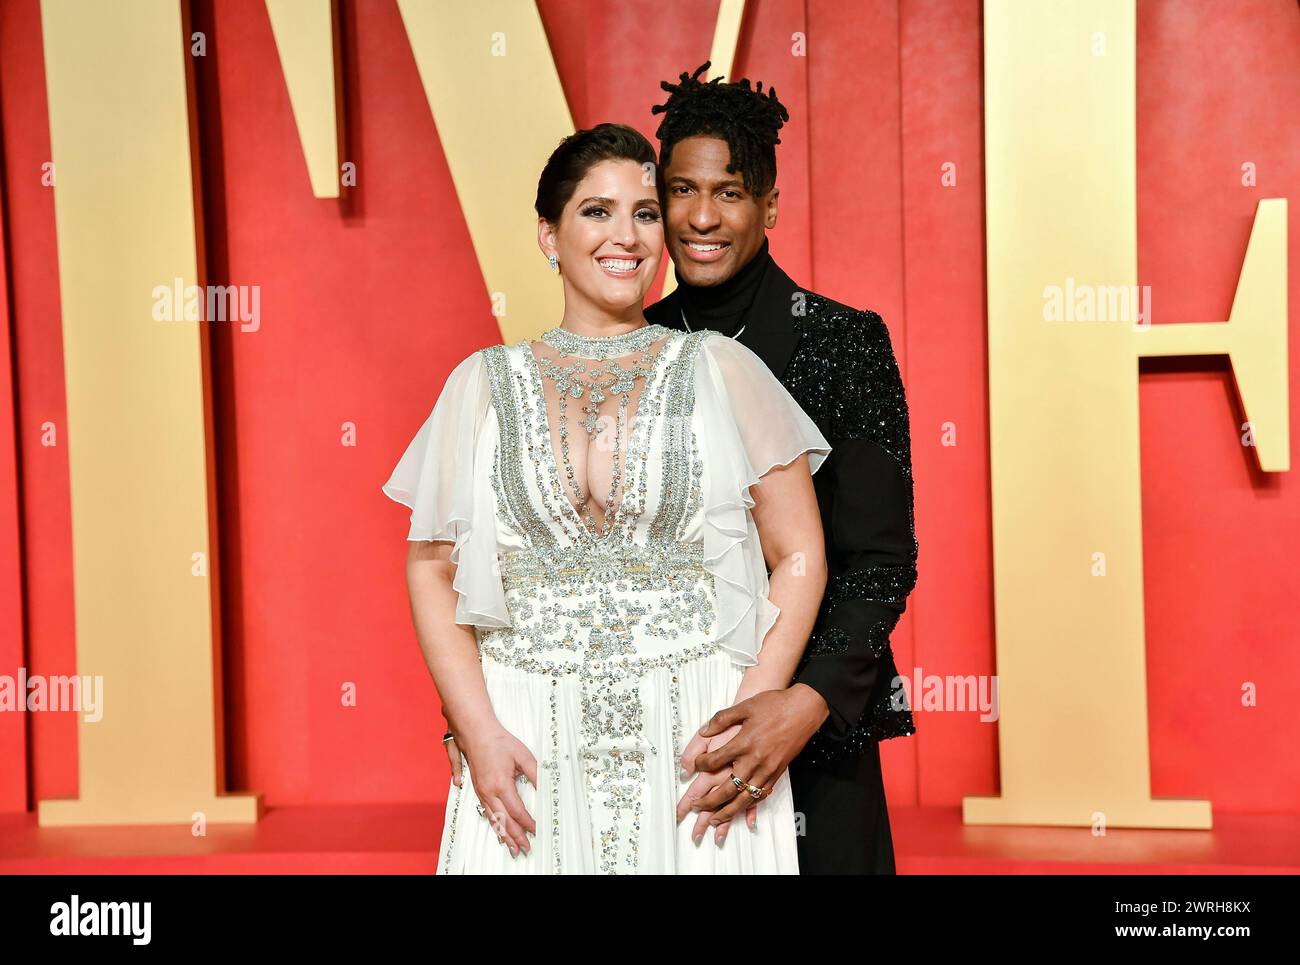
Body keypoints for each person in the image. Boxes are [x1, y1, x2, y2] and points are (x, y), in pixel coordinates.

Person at [382, 122, 832, 874]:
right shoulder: (480, 386)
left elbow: (800, 551)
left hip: (697, 727)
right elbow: (432, 569)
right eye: (597, 211)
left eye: (646, 213)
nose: (626, 235)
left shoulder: (723, 369)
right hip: (524, 730)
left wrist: (751, 710)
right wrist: (478, 728)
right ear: (547, 234)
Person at [643, 63, 919, 875]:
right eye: (683, 190)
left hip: (816, 732)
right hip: (672, 729)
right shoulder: (635, 347)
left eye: (729, 193)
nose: (701, 217)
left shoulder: (843, 341)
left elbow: (880, 560)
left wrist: (802, 706)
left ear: (768, 206)